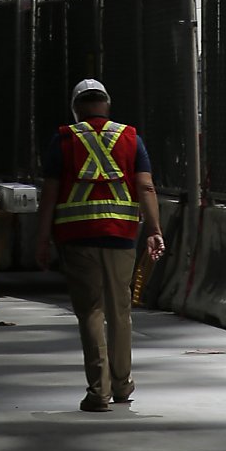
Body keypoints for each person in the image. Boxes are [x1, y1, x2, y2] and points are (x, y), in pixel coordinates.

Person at [34, 76, 165, 413]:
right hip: (121, 236)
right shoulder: (131, 138)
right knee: (120, 311)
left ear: (76, 108)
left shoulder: (64, 139)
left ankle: (98, 392)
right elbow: (146, 188)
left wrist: (42, 238)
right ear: (106, 104)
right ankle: (122, 385)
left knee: (91, 311)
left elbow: (50, 194)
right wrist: (154, 229)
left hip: (77, 238)